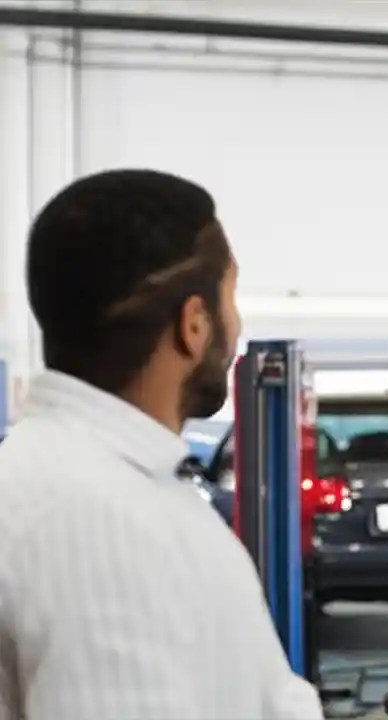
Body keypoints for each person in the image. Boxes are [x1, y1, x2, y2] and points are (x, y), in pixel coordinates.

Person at [0, 169, 323, 719]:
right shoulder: (100, 523)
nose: (236, 323)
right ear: (193, 324)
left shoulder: (95, 483)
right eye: (231, 296)